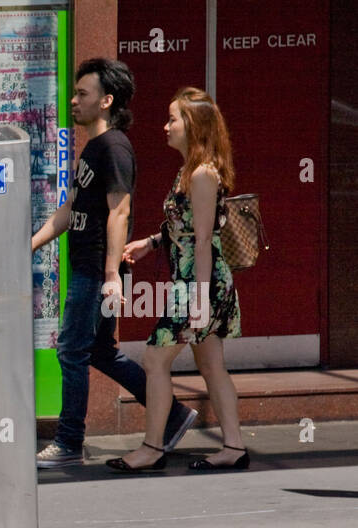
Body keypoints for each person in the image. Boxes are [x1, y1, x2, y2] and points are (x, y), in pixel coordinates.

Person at [31, 58, 198, 469]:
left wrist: (110, 276)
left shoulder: (115, 147)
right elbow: (72, 209)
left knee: (72, 350)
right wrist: (30, 244)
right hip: (91, 268)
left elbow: (119, 212)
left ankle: (69, 440)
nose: (74, 100)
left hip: (96, 271)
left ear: (106, 101)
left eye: (83, 93)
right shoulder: (94, 148)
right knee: (100, 351)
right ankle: (173, 415)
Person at [109, 87, 245, 472]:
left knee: (154, 360)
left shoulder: (202, 174)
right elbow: (184, 230)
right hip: (199, 281)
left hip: (197, 284)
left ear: (194, 125)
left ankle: (153, 447)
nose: (165, 126)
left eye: (173, 119)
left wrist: (199, 300)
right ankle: (234, 446)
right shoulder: (192, 170)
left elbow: (203, 240)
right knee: (212, 364)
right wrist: (151, 243)